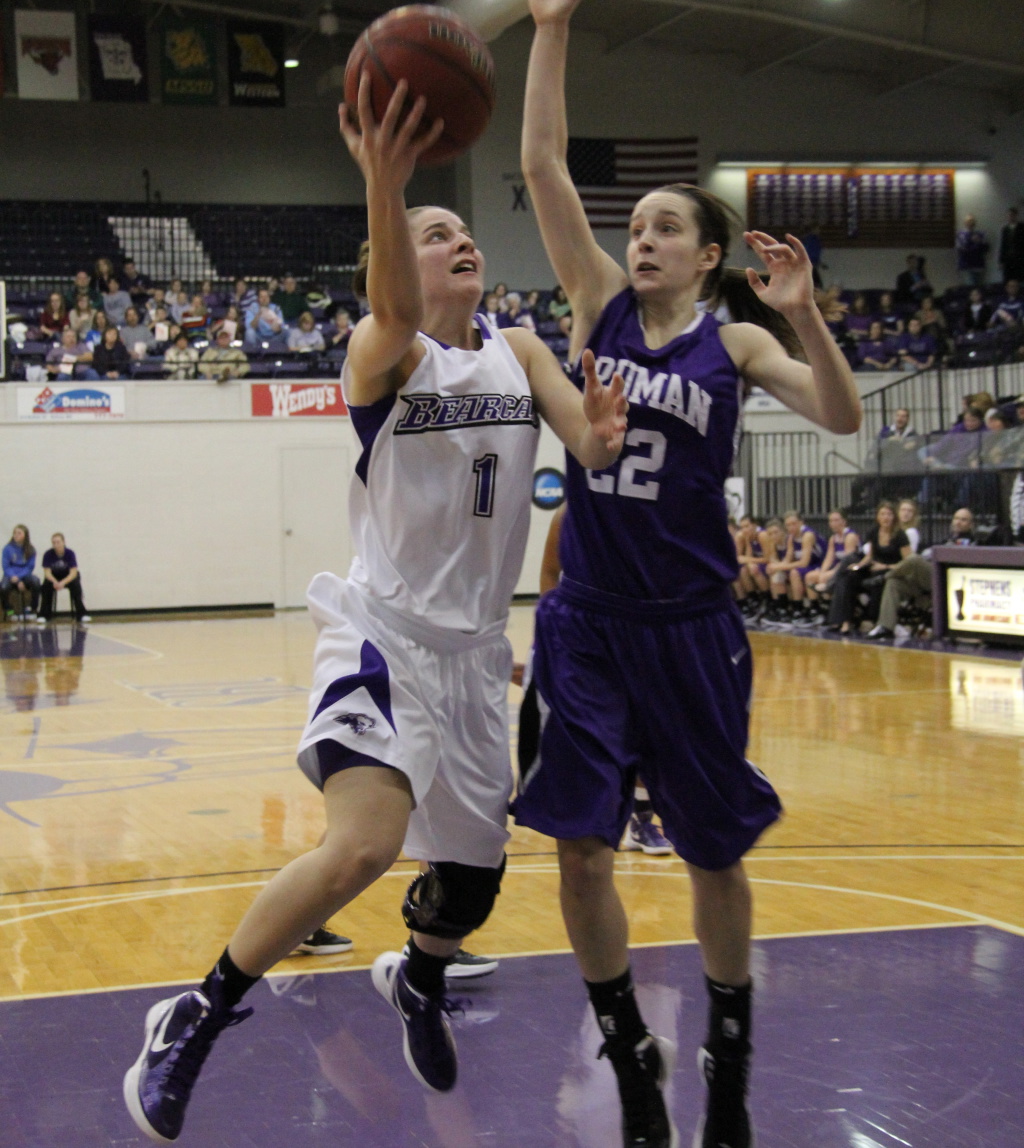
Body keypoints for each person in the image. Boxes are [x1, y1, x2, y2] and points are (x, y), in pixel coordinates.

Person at [123, 73, 627, 1146]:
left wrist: (606, 428)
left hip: (474, 654)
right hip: (382, 635)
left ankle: (418, 977)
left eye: (460, 230)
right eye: (433, 233)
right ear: (394, 261)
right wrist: (385, 186)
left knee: (472, 881)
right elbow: (394, 307)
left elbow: (588, 447)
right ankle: (195, 1015)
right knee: (363, 846)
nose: (459, 239)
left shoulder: (519, 349)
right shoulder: (382, 353)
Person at [511, 6, 861, 1148]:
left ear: (709, 255)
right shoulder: (597, 304)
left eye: (667, 227)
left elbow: (844, 418)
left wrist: (806, 319)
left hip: (694, 627)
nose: (644, 239)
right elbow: (541, 163)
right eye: (637, 226)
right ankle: (626, 1049)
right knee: (579, 846)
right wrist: (551, 27)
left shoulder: (737, 344)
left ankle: (729, 1054)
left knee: (714, 850)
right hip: (590, 622)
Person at [538, 504, 673, 855]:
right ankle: (598, 822)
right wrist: (549, 634)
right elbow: (550, 573)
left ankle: (642, 820)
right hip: (584, 642)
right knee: (599, 744)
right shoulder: (569, 513)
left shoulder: (647, 510)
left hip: (642, 634)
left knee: (649, 735)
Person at [867, 507, 975, 640]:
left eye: (963, 520)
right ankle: (886, 627)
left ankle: (884, 577)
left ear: (971, 524)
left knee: (913, 559)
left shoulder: (972, 542)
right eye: (956, 518)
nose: (958, 522)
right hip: (930, 578)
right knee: (894, 583)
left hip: (948, 581)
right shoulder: (948, 539)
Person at [826, 501, 911, 634]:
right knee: (848, 576)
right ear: (877, 517)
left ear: (894, 517)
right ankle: (844, 621)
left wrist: (885, 566)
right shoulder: (874, 532)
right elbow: (870, 556)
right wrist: (858, 566)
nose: (886, 517)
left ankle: (872, 619)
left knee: (877, 580)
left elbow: (909, 562)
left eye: (889, 514)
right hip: (874, 567)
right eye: (882, 514)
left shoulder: (900, 535)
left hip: (893, 569)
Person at [803, 509, 860, 618]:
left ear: (844, 521)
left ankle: (829, 612)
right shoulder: (833, 538)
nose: (833, 523)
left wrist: (828, 574)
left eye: (836, 520)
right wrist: (822, 571)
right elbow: (829, 559)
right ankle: (815, 610)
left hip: (851, 570)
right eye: (831, 521)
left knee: (825, 578)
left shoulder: (850, 536)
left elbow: (847, 561)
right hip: (838, 568)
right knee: (810, 576)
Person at [37, 533, 91, 624]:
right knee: (46, 586)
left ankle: (81, 614)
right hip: (54, 576)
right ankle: (44, 615)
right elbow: (47, 573)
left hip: (67, 576)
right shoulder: (48, 554)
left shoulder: (70, 553)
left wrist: (63, 582)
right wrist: (55, 582)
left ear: (63, 542)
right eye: (54, 543)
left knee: (76, 585)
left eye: (58, 542)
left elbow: (73, 572)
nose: (56, 545)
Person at [2, 526, 40, 620]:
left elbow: (30, 567)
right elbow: (6, 566)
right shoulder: (7, 548)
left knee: (36, 581)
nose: (16, 535)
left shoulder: (31, 549)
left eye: (19, 533)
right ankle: (9, 610)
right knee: (3, 587)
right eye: (15, 533)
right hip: (10, 576)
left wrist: (19, 578)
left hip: (24, 575)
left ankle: (32, 609)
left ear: (25, 535)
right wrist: (14, 577)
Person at [955, 214, 989, 287]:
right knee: (970, 287)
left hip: (978, 265)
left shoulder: (981, 234)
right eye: (968, 221)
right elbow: (961, 250)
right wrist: (971, 242)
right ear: (965, 222)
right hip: (965, 265)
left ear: (974, 222)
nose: (970, 223)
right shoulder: (960, 234)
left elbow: (986, 249)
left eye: (972, 221)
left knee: (979, 288)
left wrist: (979, 242)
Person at [998, 208, 1024, 284]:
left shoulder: (1022, 227)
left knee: (1019, 278)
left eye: (1012, 215)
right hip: (1008, 259)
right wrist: (1001, 261)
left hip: (1019, 258)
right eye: (1009, 215)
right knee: (1007, 279)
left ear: (1016, 216)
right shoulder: (1005, 229)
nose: (1010, 217)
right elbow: (1003, 245)